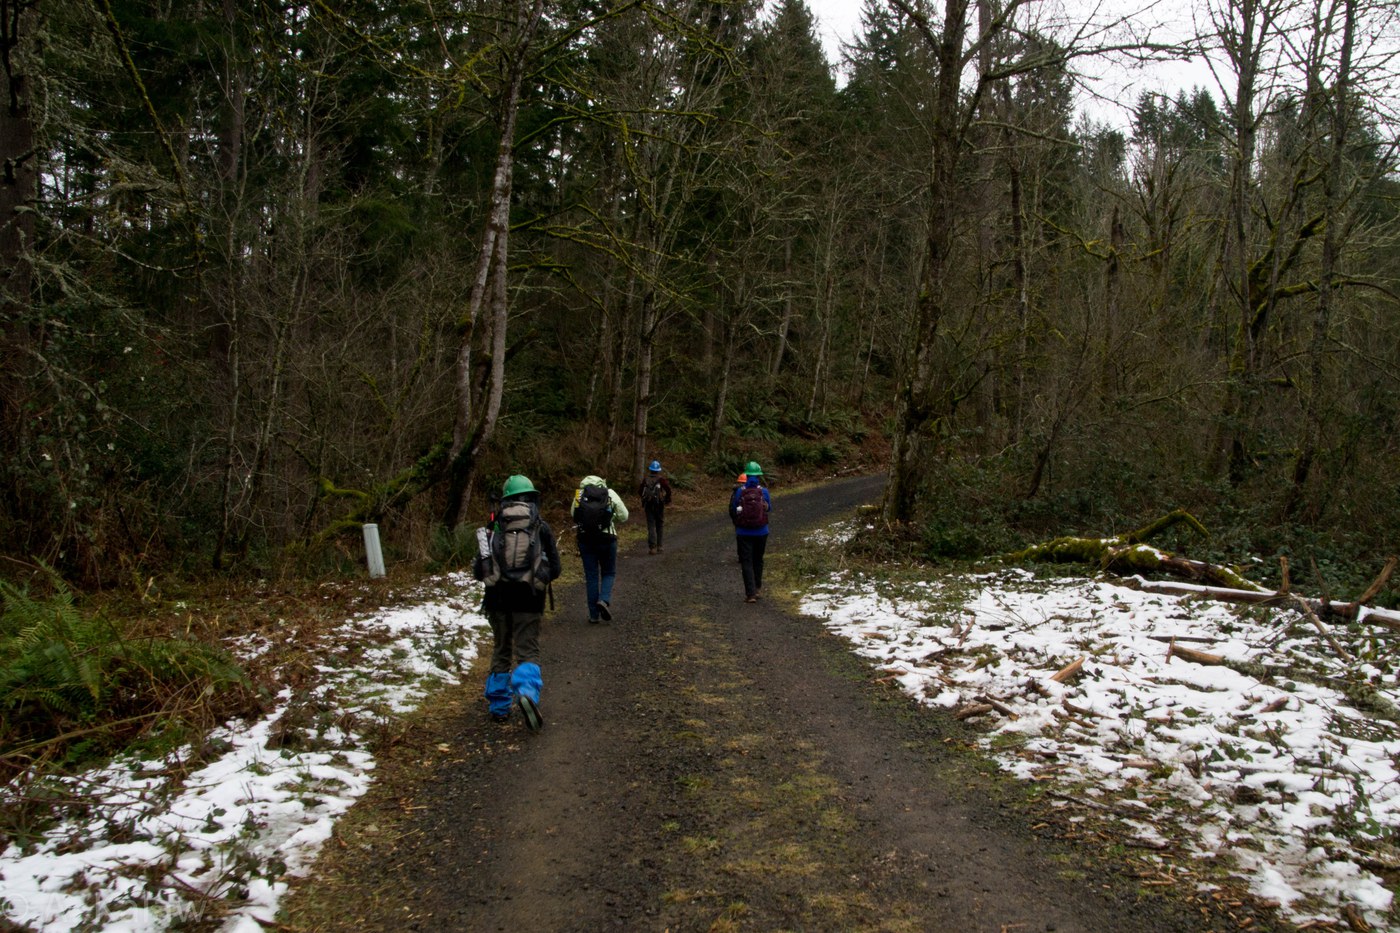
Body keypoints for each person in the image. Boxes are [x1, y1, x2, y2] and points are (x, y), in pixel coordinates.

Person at [475, 474, 561, 732]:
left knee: (501, 648)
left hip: (497, 598)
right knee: (527, 649)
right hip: (529, 598)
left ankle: (499, 707)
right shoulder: (539, 526)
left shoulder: (493, 525)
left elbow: (479, 570)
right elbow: (555, 568)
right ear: (531, 497)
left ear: (506, 500)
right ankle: (526, 693)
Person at [572, 474, 629, 623]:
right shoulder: (609, 493)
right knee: (608, 572)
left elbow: (574, 515)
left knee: (591, 577)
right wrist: (611, 518)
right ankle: (603, 600)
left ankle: (593, 616)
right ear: (601, 482)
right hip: (607, 538)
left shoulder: (579, 494)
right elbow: (625, 516)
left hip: (586, 540)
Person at [729, 461, 771, 603]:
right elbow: (769, 508)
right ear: (759, 476)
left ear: (746, 475)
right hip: (762, 531)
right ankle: (758, 588)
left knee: (746, 561)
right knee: (758, 560)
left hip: (743, 532)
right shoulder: (764, 492)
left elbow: (735, 508)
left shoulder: (740, 491)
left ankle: (750, 594)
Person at [638, 459, 673, 554]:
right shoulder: (661, 480)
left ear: (650, 470)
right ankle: (660, 546)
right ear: (658, 470)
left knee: (651, 525)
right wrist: (666, 499)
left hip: (648, 505)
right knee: (659, 524)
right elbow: (668, 490)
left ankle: (652, 548)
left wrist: (645, 499)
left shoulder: (645, 480)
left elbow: (640, 491)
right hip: (659, 505)